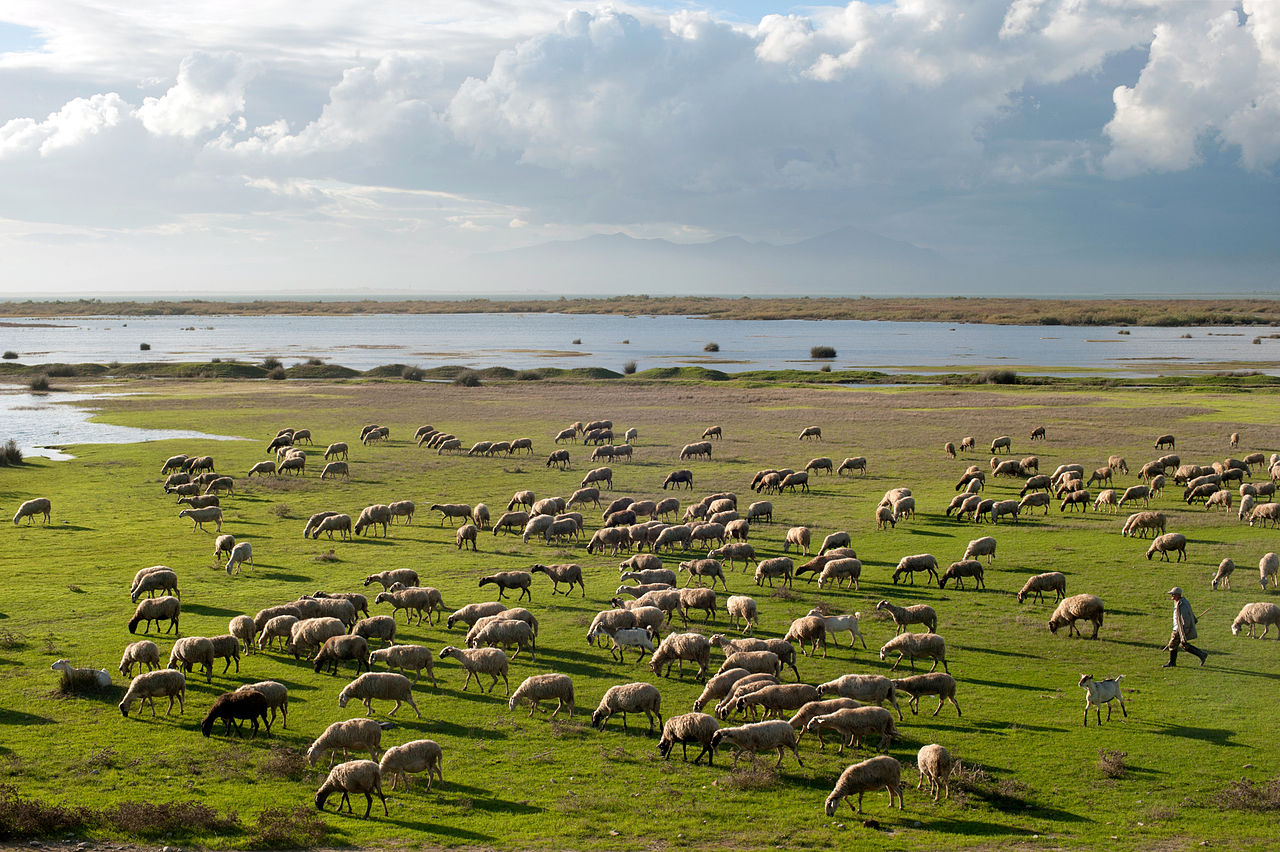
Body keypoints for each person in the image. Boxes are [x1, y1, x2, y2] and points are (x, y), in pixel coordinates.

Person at [1163, 587, 1207, 667]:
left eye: (1173, 594)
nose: (1171, 596)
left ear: (1178, 595)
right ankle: (1201, 654)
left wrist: (1183, 631)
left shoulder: (1182, 605)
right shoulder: (1180, 602)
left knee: (1172, 645)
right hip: (1178, 628)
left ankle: (1172, 663)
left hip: (1179, 629)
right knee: (1184, 645)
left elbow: (1185, 618)